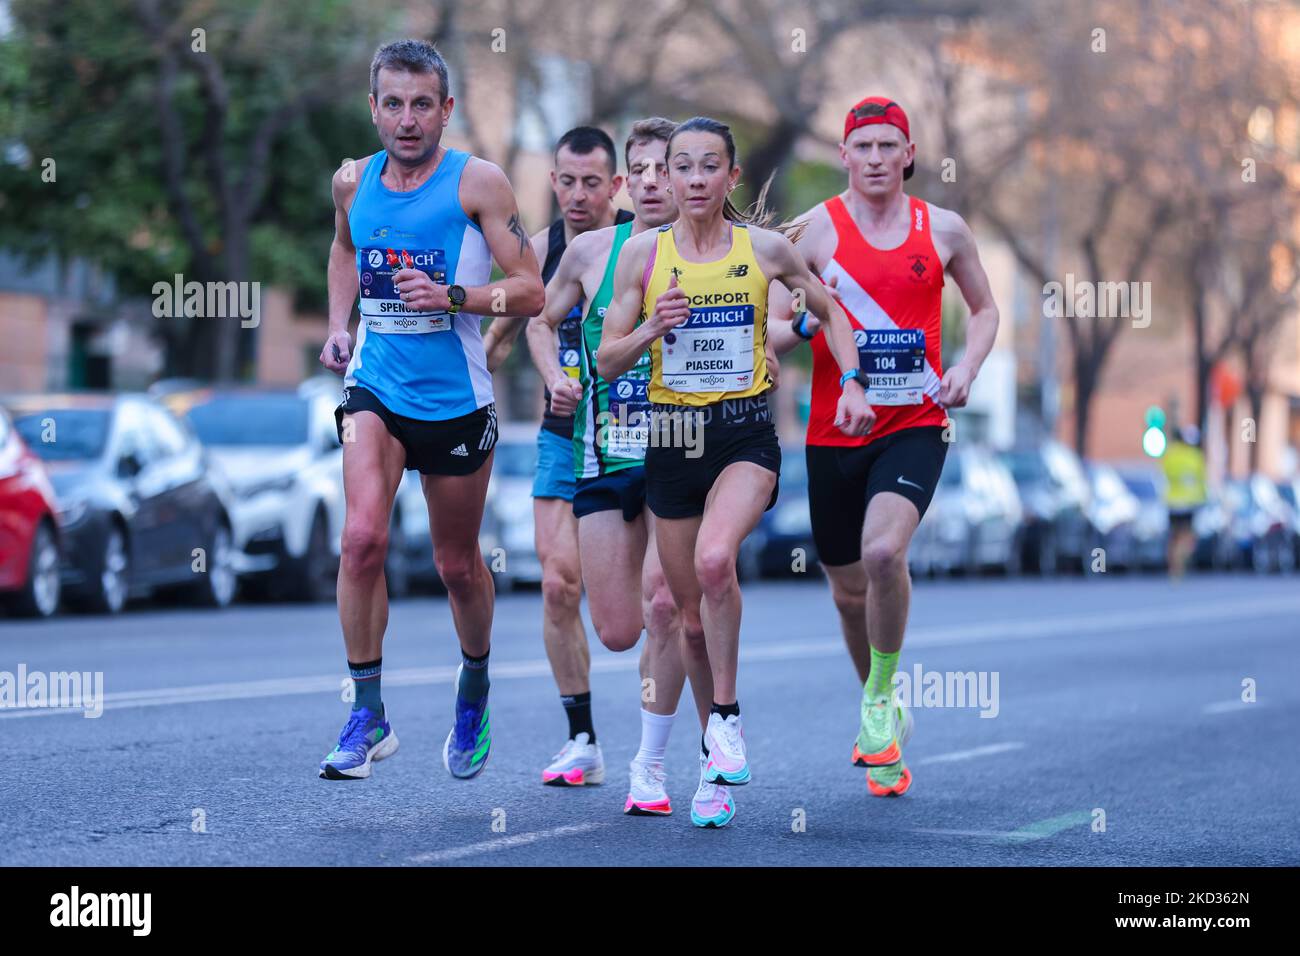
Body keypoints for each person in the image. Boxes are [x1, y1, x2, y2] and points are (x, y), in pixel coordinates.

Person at [598, 116, 873, 826]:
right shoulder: (641, 257)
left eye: (707, 166)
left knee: (717, 560)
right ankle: (712, 765)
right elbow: (605, 358)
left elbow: (828, 310)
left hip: (743, 433)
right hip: (672, 438)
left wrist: (852, 383)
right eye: (680, 166)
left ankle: (726, 716)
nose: (692, 179)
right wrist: (651, 330)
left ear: (731, 177)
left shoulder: (766, 250)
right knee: (688, 621)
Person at [316, 40, 544, 781]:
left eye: (422, 104)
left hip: (455, 400)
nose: (407, 119)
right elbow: (344, 251)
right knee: (360, 541)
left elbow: (531, 290)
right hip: (377, 384)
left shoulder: (478, 183)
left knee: (455, 565)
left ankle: (473, 682)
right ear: (373, 107)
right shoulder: (352, 183)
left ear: (446, 110)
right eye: (393, 103)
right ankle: (367, 711)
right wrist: (337, 325)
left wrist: (452, 297)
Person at [768, 96, 1000, 796]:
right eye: (861, 147)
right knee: (845, 591)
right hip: (833, 428)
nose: (874, 159)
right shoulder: (811, 232)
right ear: (843, 156)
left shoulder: (945, 229)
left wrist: (964, 369)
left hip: (915, 422)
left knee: (882, 553)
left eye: (886, 147)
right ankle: (881, 700)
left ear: (909, 156)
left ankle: (877, 698)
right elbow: (774, 327)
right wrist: (818, 328)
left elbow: (986, 310)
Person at [528, 117, 709, 815]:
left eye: (670, 168)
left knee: (664, 603)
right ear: (628, 184)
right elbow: (541, 322)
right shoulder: (590, 253)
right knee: (617, 628)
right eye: (643, 171)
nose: (657, 181)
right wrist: (556, 378)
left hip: (680, 454)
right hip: (603, 453)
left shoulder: (712, 251)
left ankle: (652, 763)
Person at [482, 129, 633, 780]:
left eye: (591, 183)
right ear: (552, 181)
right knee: (555, 584)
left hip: (635, 436)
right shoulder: (539, 253)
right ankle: (583, 741)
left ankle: (698, 739)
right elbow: (498, 341)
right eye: (566, 181)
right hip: (560, 435)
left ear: (615, 186)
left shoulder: (641, 243)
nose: (577, 195)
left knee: (656, 601)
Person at [1162, 425, 1207, 580]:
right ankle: (1180, 565)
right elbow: (1201, 480)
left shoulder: (1170, 455)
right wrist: (1203, 498)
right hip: (1189, 502)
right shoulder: (1195, 456)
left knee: (1173, 538)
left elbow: (1163, 475)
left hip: (1172, 502)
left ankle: (1173, 568)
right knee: (1186, 537)